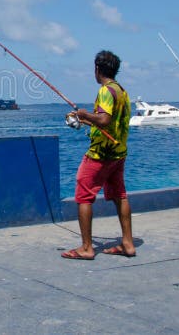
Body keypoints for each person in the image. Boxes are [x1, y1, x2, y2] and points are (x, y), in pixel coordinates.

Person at [61, 50, 134, 260]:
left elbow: (103, 120)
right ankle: (128, 244)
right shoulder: (122, 91)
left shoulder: (105, 91)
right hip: (118, 153)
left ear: (97, 69)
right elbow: (111, 122)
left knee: (84, 195)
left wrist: (84, 114)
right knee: (120, 195)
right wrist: (85, 120)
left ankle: (86, 247)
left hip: (100, 154)